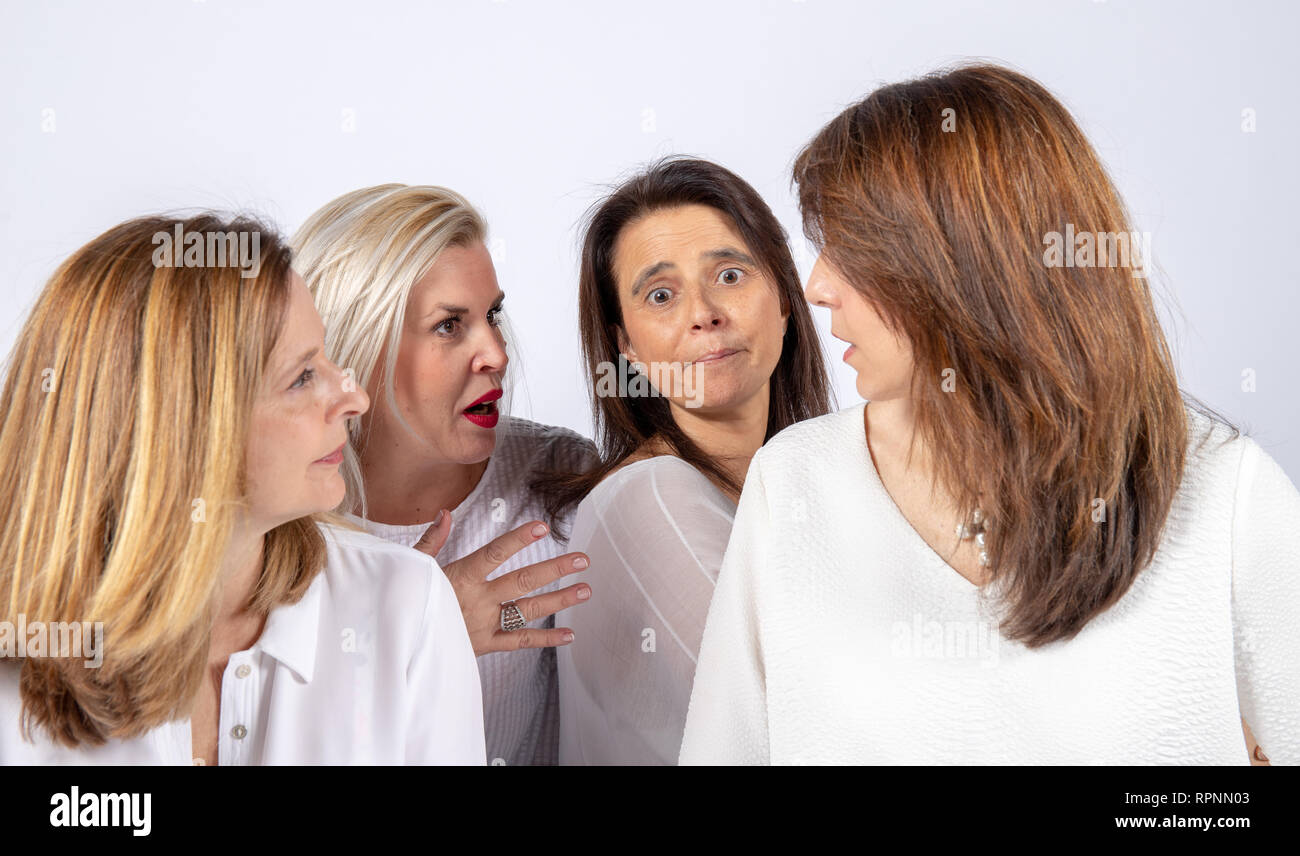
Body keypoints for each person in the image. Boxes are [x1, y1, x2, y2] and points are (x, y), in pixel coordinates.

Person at [680, 64, 1300, 765]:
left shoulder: (1227, 498)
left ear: (967, 264)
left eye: (850, 248)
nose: (818, 285)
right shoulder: (792, 481)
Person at [0, 214, 485, 764]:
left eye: (325, 358)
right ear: (180, 424)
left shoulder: (406, 604)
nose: (354, 399)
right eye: (302, 376)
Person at [292, 185, 597, 765]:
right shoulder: (280, 518)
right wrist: (418, 635)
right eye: (449, 326)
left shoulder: (560, 480)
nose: (496, 353)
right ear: (356, 349)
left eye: (492, 315)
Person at [547, 157, 833, 764]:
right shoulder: (647, 497)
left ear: (784, 295)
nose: (704, 312)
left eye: (729, 275)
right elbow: (805, 716)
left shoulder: (809, 480)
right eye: (660, 294)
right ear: (626, 347)